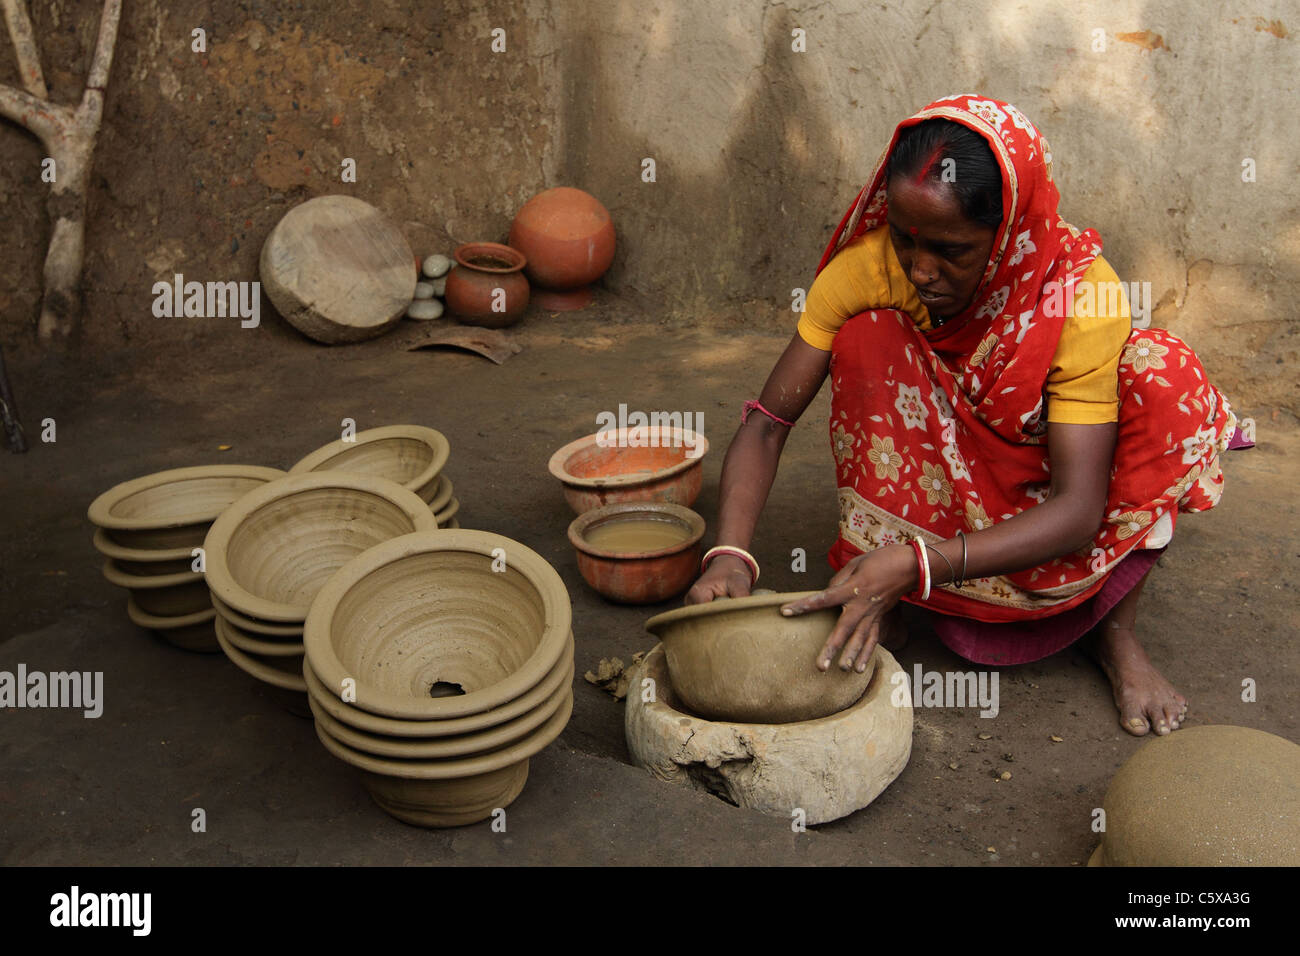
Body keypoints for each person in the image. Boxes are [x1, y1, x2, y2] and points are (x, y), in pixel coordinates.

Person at [686, 95, 1242, 738]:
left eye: (953, 249)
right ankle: (883, 587)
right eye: (903, 238)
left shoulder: (1079, 296)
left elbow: (1077, 509)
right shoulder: (868, 270)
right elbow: (767, 423)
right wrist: (729, 555)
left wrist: (921, 564)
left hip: (1039, 518)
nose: (921, 270)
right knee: (868, 333)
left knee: (1163, 378)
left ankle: (1113, 634)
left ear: (1007, 233)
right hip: (942, 503)